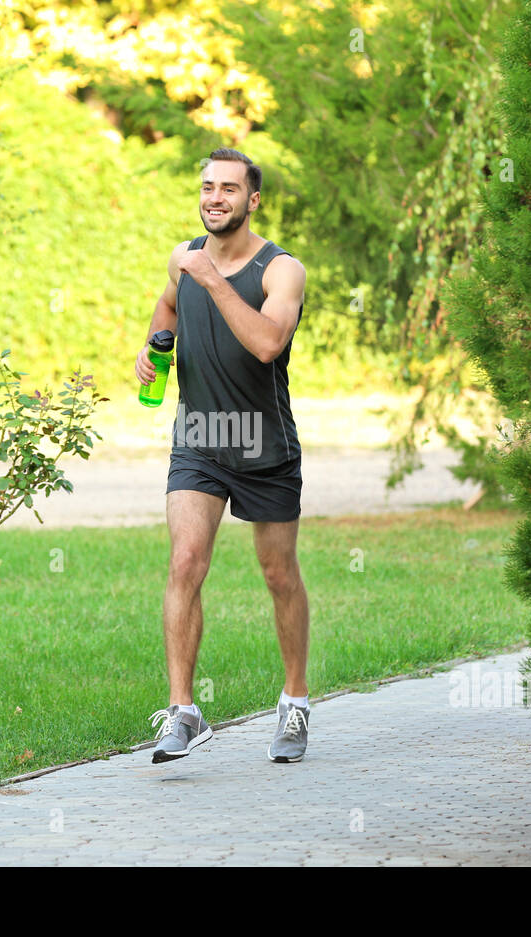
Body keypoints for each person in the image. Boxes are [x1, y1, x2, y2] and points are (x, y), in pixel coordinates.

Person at [133, 147, 311, 764]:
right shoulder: (184, 258)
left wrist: (211, 280)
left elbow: (267, 343)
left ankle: (294, 702)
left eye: (229, 189)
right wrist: (153, 349)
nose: (215, 198)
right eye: (207, 186)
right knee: (185, 562)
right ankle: (183, 711)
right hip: (200, 439)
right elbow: (168, 307)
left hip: (265, 445)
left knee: (278, 576)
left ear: (252, 199)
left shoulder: (281, 270)